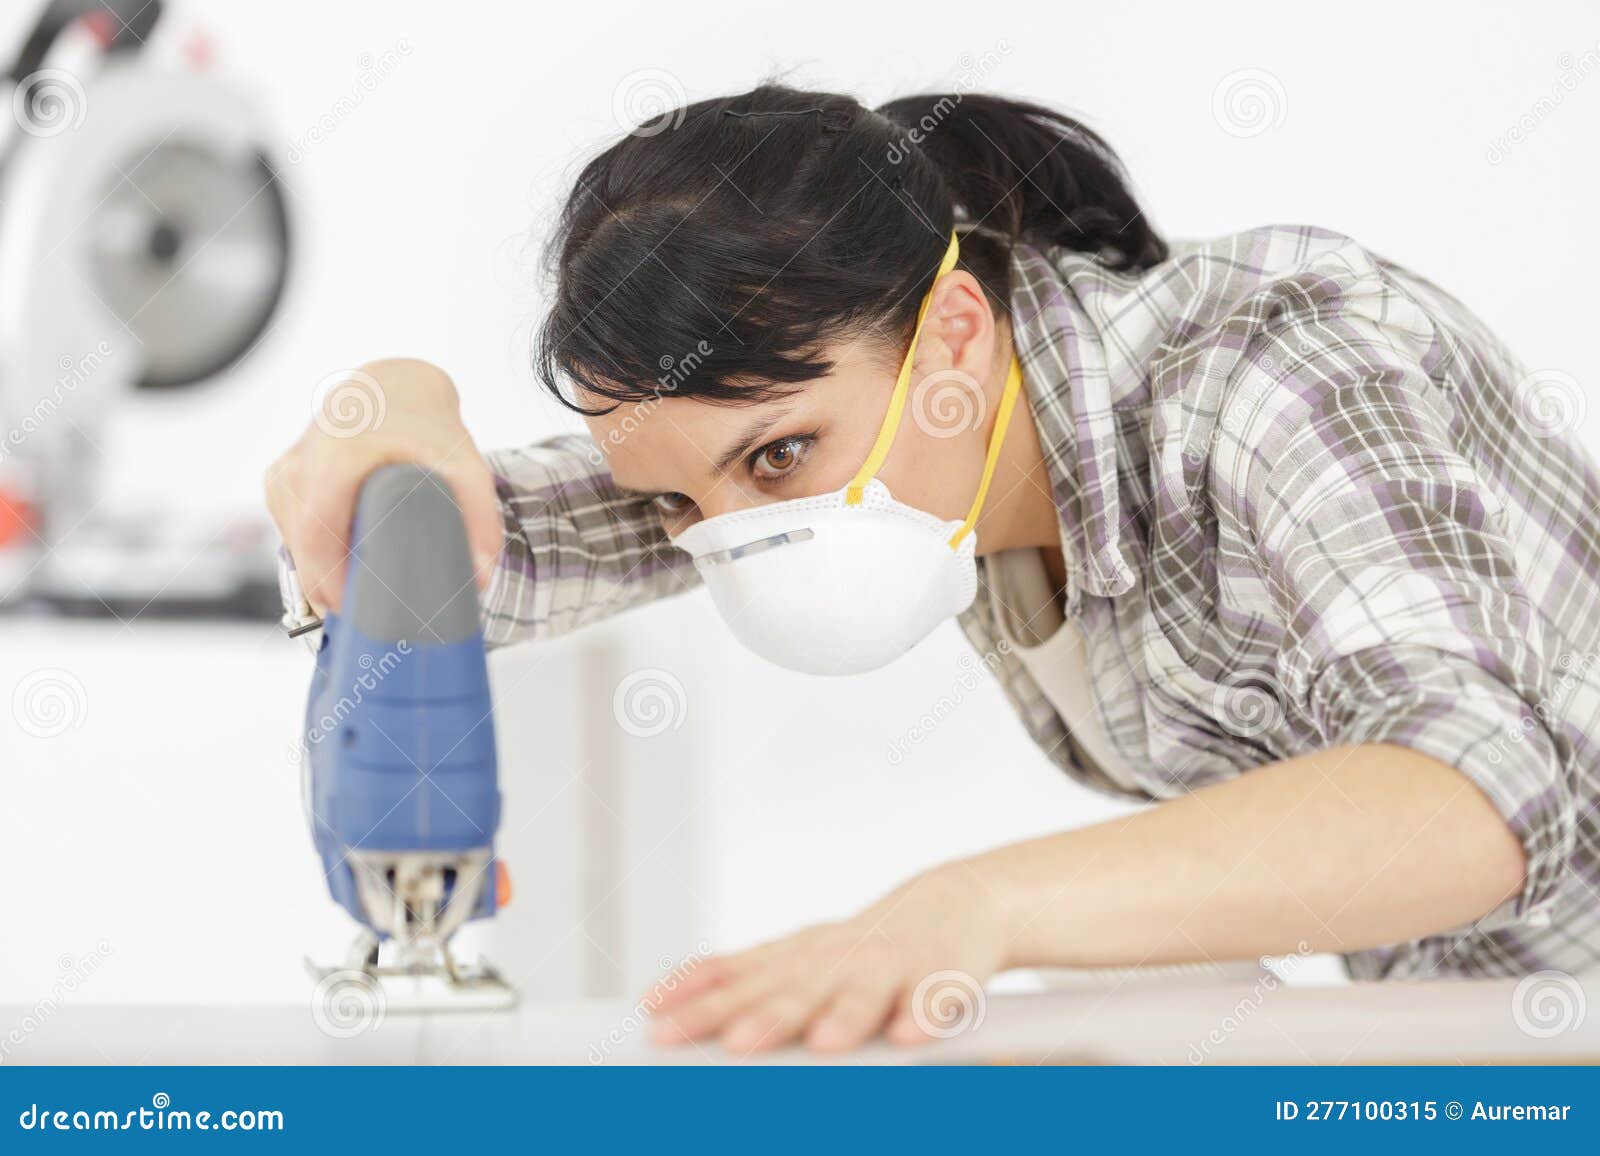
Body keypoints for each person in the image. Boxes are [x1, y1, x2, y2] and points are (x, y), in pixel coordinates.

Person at [266, 85, 1599, 1054]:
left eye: (782, 456)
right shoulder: (926, 449)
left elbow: (1474, 799)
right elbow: (471, 550)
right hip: (1486, 1034)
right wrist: (390, 411)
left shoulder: (1271, 368)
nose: (732, 529)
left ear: (954, 331)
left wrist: (970, 910)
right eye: (677, 499)